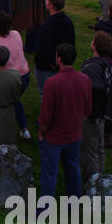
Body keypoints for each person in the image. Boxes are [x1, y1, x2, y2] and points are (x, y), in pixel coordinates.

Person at [37, 44, 91, 205]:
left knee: (49, 173)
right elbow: (87, 110)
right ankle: (73, 206)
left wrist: (41, 132)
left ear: (58, 58)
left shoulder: (52, 83)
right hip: (74, 134)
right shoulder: (84, 79)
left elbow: (46, 115)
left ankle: (44, 210)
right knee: (73, 170)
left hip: (54, 137)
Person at [80, 32, 112, 180]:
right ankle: (101, 177)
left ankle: (93, 182)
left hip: (93, 114)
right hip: (104, 112)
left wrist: (87, 113)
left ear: (94, 45)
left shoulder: (92, 68)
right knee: (99, 147)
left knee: (90, 149)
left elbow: (95, 91)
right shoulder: (108, 64)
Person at [0, 10, 30, 138]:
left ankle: (20, 128)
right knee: (14, 100)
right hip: (25, 76)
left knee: (11, 101)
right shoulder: (16, 34)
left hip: (9, 79)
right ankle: (23, 128)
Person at [33, 0, 75, 93]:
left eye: (46, 0)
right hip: (63, 62)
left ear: (51, 5)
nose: (45, 1)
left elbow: (44, 48)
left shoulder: (47, 26)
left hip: (47, 67)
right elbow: (71, 43)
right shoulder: (68, 21)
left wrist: (51, 62)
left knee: (46, 94)